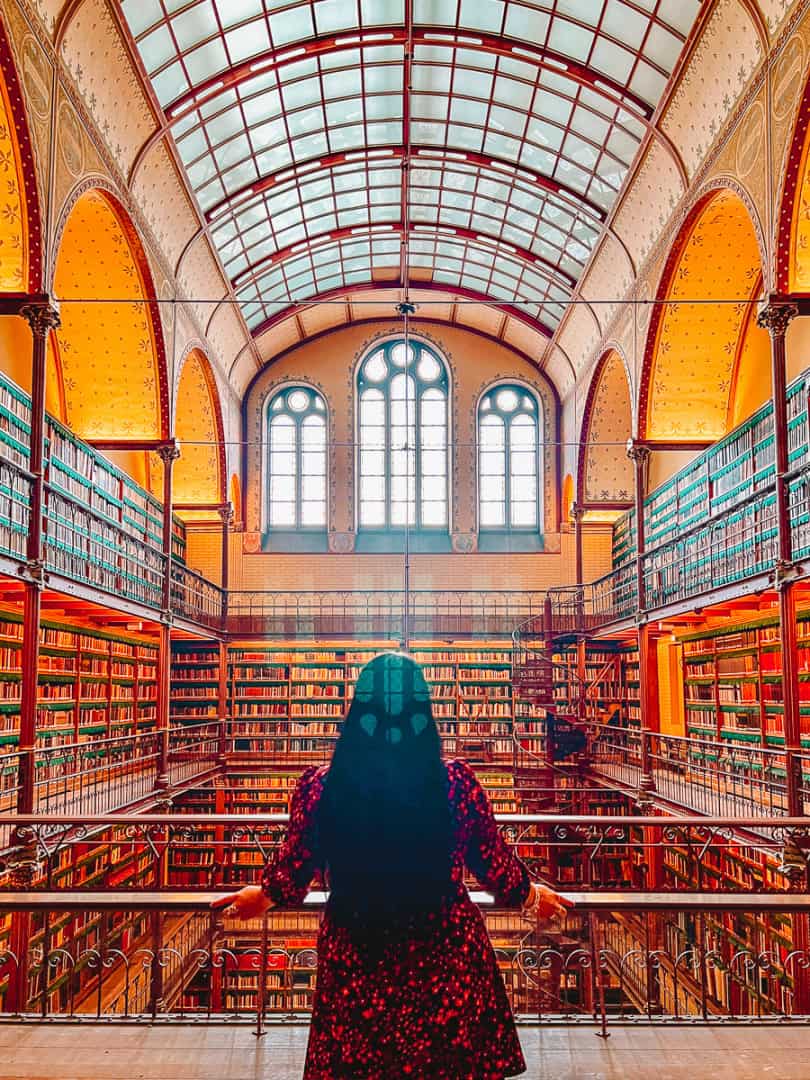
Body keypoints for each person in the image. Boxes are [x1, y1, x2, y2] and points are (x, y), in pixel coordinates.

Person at [212, 652, 571, 1079]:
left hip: (357, 956)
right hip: (444, 956)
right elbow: (492, 863)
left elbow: (296, 864)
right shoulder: (455, 783)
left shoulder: (320, 787)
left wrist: (264, 896)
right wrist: (532, 897)